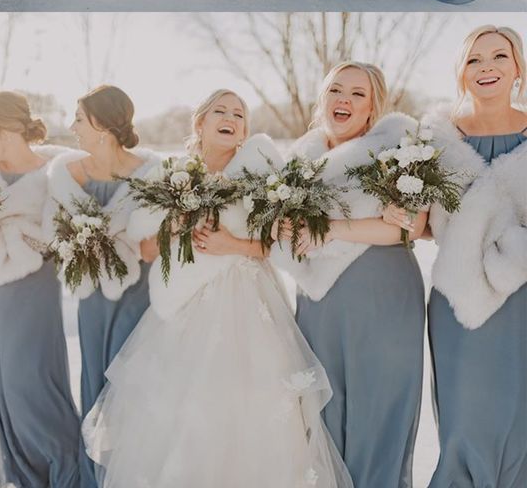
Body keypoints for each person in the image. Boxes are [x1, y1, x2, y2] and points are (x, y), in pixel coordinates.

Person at [84, 90, 353, 488]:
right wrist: (172, 227)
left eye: (239, 114)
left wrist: (234, 245)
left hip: (249, 302)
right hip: (185, 306)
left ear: (245, 129)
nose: (231, 118)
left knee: (249, 410)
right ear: (200, 123)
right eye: (220, 111)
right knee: (188, 414)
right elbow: (143, 249)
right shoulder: (171, 174)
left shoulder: (261, 172)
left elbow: (280, 241)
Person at [273, 63, 426, 488]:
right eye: (336, 90)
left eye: (358, 94)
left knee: (380, 408)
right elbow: (284, 229)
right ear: (322, 98)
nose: (344, 100)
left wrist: (329, 230)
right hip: (319, 300)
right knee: (325, 410)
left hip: (382, 291)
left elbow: (405, 226)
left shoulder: (396, 150)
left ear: (373, 105)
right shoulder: (298, 161)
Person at [425, 25, 527, 488]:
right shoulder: (437, 141)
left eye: (499, 57)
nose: (487, 68)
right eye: (474, 60)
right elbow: (424, 225)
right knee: (465, 422)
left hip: (522, 296)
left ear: (518, 68)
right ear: (461, 74)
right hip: (457, 299)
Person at [0, 91, 81, 488]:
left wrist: (16, 231)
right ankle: (23, 477)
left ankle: (67, 471)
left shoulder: (53, 172)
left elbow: (60, 231)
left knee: (28, 382)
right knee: (3, 384)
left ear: (9, 129)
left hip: (34, 286)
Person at [47, 85, 159, 488]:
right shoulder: (65, 175)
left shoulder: (152, 172)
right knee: (95, 382)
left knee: (130, 386)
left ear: (101, 124)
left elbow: (154, 243)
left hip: (139, 296)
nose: (72, 127)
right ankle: (97, 479)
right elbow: (53, 235)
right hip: (92, 297)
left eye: (78, 118)